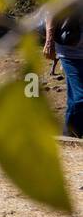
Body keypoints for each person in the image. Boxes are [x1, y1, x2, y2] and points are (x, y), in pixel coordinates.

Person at [44, 9, 83, 137]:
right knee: (79, 97)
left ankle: (70, 135)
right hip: (71, 53)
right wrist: (49, 41)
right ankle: (70, 135)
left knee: (74, 98)